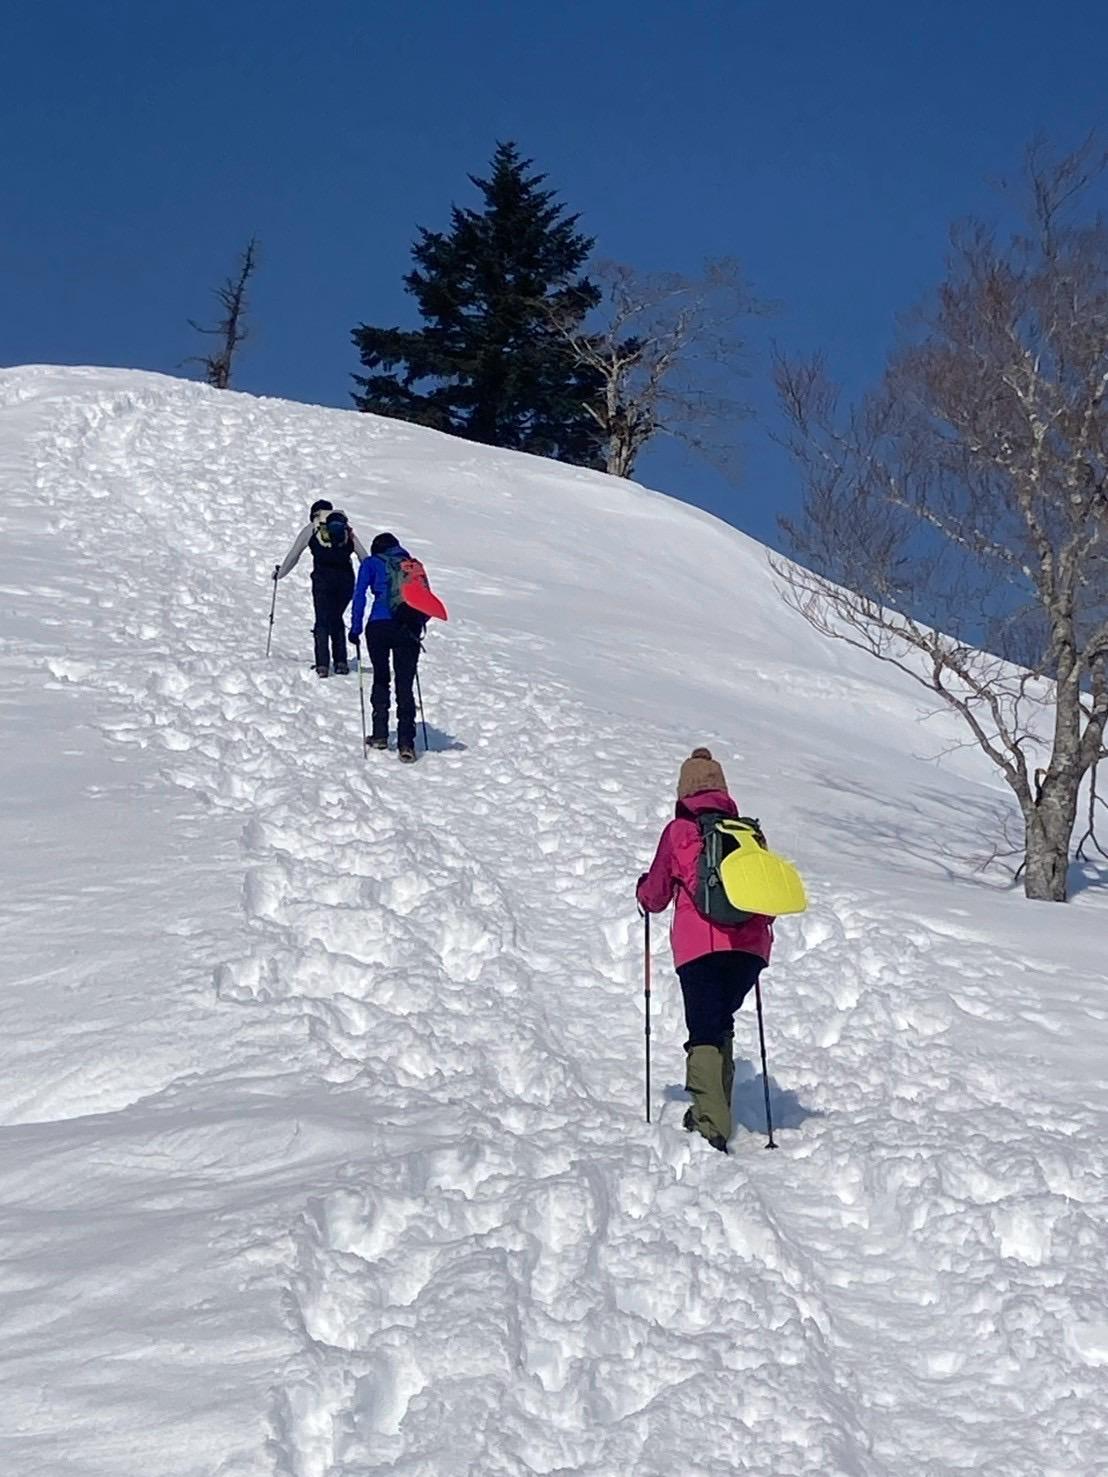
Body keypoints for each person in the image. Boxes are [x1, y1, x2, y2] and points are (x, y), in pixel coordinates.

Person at [636, 748, 773, 1152]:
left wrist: (642, 891)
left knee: (704, 1030)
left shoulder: (680, 832)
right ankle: (716, 1107)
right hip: (750, 951)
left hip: (701, 948)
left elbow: (657, 895)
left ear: (684, 790)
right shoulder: (748, 834)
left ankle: (710, 1123)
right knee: (720, 1021)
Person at [349, 532, 425, 763]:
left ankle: (380, 734)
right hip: (407, 629)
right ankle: (406, 743)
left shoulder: (371, 563)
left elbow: (359, 594)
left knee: (381, 678)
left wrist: (355, 629)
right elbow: (425, 600)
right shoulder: (412, 566)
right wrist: (416, 624)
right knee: (405, 684)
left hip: (379, 626)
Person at [275, 500, 367, 677]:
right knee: (336, 617)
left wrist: (280, 574)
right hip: (346, 580)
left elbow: (294, 554)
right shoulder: (346, 529)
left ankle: (322, 665)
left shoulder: (312, 528)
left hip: (323, 580)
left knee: (322, 620)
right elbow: (363, 556)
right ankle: (341, 662)